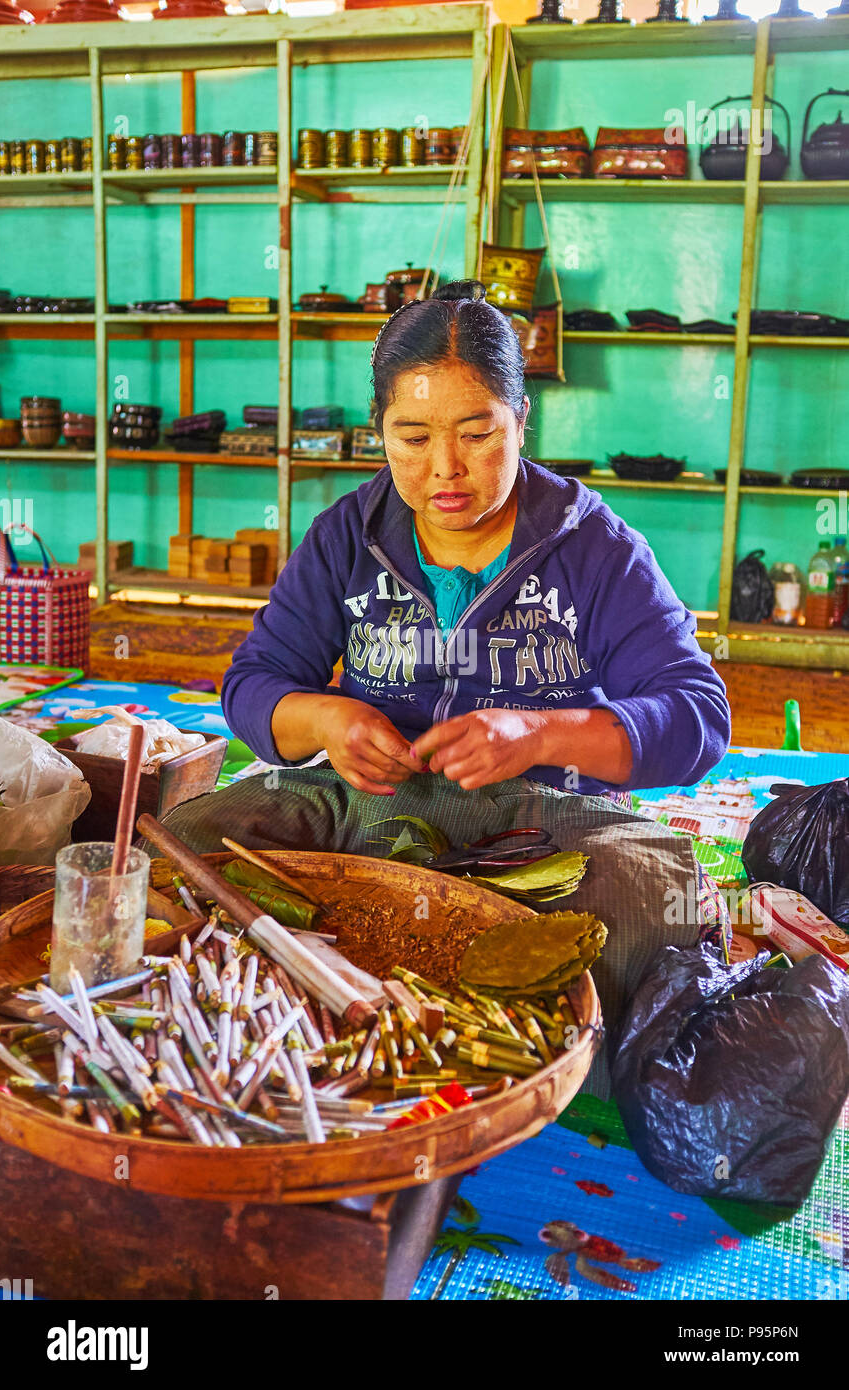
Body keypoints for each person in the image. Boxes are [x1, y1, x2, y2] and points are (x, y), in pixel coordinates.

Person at [156, 280, 731, 1087]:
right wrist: (323, 721)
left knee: (654, 908)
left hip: (546, 820)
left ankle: (406, 1001)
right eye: (413, 436)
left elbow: (698, 718)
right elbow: (255, 683)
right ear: (380, 431)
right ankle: (324, 1014)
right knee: (183, 848)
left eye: (476, 432)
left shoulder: (595, 546)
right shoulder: (347, 536)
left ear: (521, 422)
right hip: (367, 805)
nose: (444, 470)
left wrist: (537, 734)